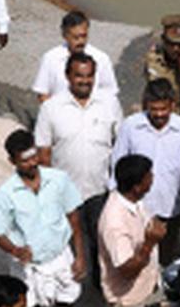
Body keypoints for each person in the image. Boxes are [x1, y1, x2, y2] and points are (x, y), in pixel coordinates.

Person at [0, 129, 90, 307]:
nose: (32, 163)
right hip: (29, 266)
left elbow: (74, 218)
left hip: (60, 257)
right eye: (25, 160)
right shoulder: (5, 195)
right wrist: (14, 250)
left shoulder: (58, 179)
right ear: (13, 162)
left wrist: (80, 256)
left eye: (34, 156)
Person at [35, 51, 122, 279]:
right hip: (65, 192)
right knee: (67, 242)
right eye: (78, 76)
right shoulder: (50, 108)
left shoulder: (109, 104)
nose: (84, 81)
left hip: (100, 190)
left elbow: (120, 145)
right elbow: (43, 153)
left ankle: (99, 285)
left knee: (101, 241)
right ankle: (68, 285)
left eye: (89, 76)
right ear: (67, 76)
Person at [98, 154, 166, 307]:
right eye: (149, 177)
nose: (153, 180)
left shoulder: (134, 201)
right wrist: (150, 243)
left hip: (145, 285)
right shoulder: (114, 219)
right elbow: (126, 268)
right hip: (126, 291)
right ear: (137, 185)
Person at [110, 79, 180, 265]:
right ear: (146, 105)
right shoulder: (130, 126)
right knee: (136, 256)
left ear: (172, 105)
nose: (159, 114)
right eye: (154, 109)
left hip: (170, 209)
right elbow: (117, 165)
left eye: (163, 109)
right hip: (137, 209)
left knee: (166, 258)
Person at [32, 9, 117, 102]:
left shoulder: (101, 59)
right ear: (65, 35)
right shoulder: (50, 58)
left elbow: (109, 92)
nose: (81, 41)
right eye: (76, 37)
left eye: (84, 36)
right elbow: (42, 93)